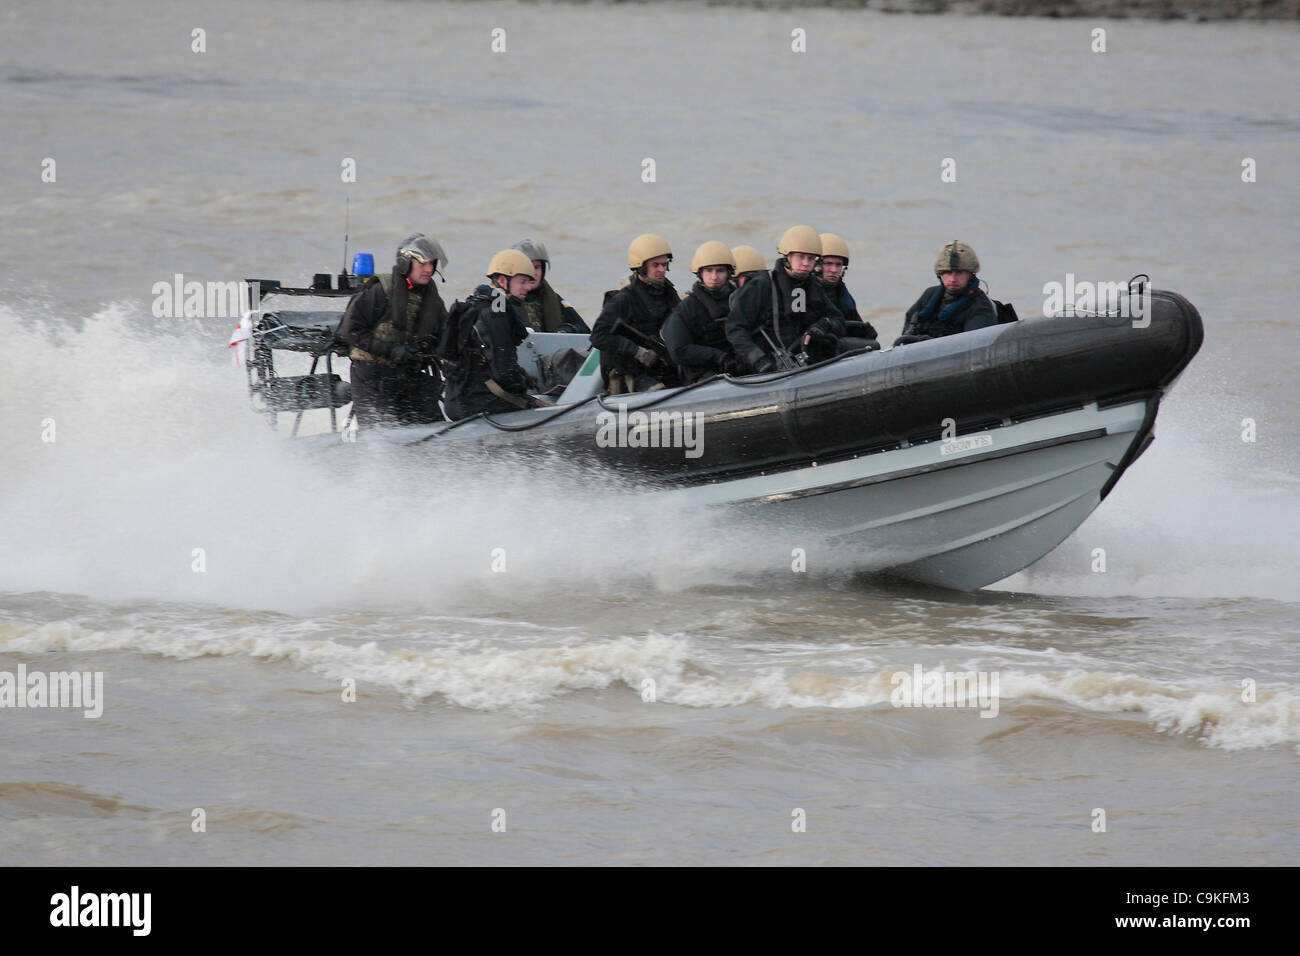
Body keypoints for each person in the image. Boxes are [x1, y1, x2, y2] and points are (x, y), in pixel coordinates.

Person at [339, 233, 449, 427]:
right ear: (406, 263)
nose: (429, 269)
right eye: (422, 264)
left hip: (406, 376)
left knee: (435, 425)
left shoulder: (432, 300)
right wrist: (392, 350)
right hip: (371, 376)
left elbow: (445, 335)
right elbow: (350, 330)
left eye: (432, 264)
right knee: (382, 436)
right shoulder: (380, 291)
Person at [725, 225, 846, 373]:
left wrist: (823, 325)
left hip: (803, 363)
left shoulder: (813, 286)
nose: (806, 264)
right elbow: (735, 328)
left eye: (811, 259)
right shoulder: (762, 285)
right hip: (766, 367)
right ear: (787, 256)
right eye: (800, 257)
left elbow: (838, 319)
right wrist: (758, 359)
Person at [441, 250, 541, 420]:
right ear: (503, 280)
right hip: (478, 403)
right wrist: (523, 385)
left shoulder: (478, 303)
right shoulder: (497, 311)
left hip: (456, 401)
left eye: (529, 282)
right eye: (522, 282)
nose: (528, 287)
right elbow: (504, 372)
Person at [590, 233, 681, 393]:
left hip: (663, 367)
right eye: (656, 265)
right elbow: (598, 336)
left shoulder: (669, 293)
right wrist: (639, 352)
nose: (662, 270)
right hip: (631, 375)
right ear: (641, 267)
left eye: (664, 265)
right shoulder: (624, 299)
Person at [663, 241, 740, 383]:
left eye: (720, 271)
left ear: (729, 273)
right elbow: (678, 350)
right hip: (702, 374)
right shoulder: (687, 308)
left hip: (737, 367)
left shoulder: (739, 301)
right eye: (709, 271)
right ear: (700, 273)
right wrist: (717, 356)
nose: (714, 277)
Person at [894, 240, 997, 346]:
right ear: (940, 275)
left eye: (959, 273)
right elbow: (909, 322)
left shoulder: (980, 306)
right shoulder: (929, 295)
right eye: (947, 272)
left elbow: (973, 347)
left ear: (970, 274)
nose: (953, 279)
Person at [511, 238, 589, 333]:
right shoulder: (503, 301)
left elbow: (584, 329)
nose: (533, 273)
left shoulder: (554, 299)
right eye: (528, 267)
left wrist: (567, 329)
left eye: (537, 267)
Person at [817, 233, 880, 347]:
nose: (834, 270)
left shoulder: (842, 293)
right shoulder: (807, 291)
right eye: (828, 264)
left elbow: (853, 320)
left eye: (838, 265)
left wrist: (864, 331)